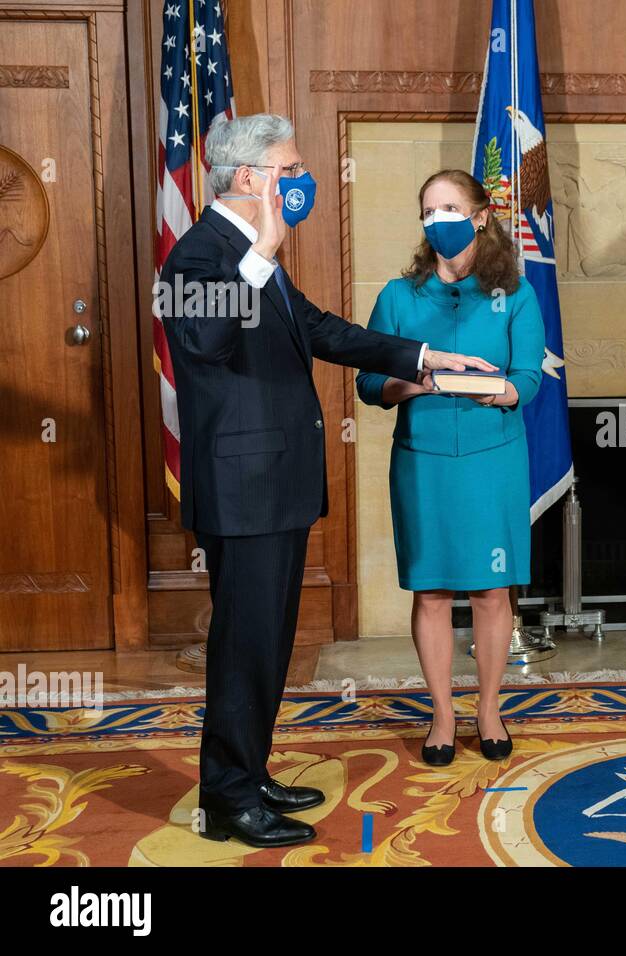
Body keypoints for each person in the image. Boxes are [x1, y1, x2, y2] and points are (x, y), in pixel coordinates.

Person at [160, 115, 496, 848]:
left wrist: (425, 357)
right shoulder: (198, 257)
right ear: (249, 177)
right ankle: (226, 800)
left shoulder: (249, 252)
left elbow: (318, 329)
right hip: (243, 486)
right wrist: (261, 258)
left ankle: (249, 773)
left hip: (275, 485)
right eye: (292, 166)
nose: (302, 179)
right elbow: (201, 343)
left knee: (271, 640)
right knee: (244, 644)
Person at [357, 169, 544, 767]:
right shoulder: (397, 295)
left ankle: (488, 709)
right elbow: (367, 380)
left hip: (493, 459)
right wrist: (417, 383)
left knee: (492, 590)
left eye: (450, 208)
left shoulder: (516, 292)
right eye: (429, 210)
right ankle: (442, 714)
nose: (438, 219)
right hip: (425, 462)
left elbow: (530, 378)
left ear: (480, 215)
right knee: (432, 591)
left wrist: (503, 393)